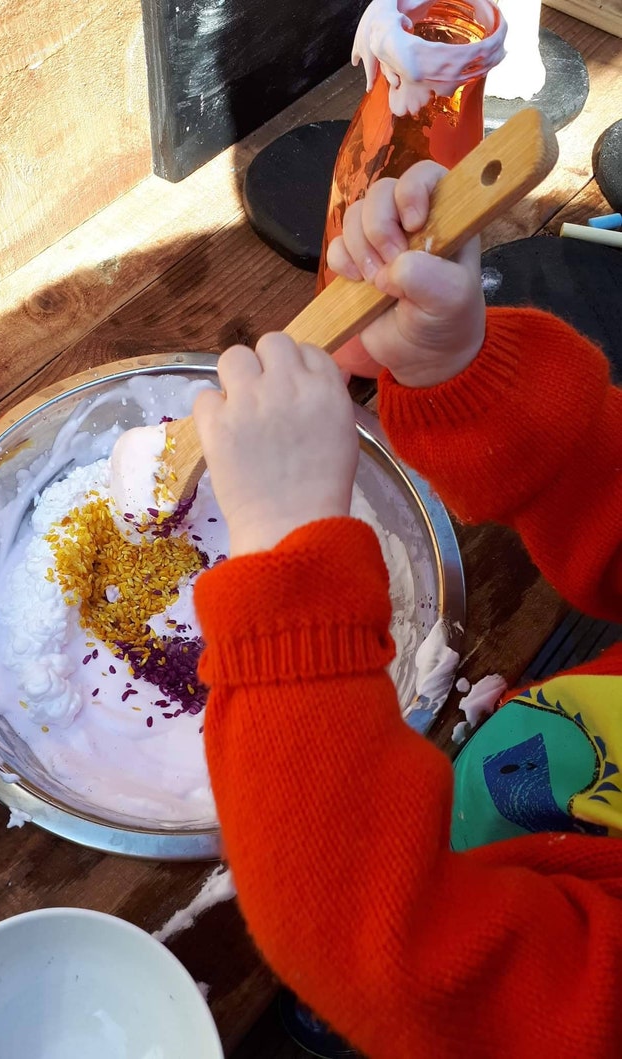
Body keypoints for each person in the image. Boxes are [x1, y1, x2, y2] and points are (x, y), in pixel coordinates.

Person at [191, 160, 622, 1058]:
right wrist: (459, 371)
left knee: (353, 1021)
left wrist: (284, 562)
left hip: (393, 920)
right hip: (517, 801)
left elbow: (402, 960)